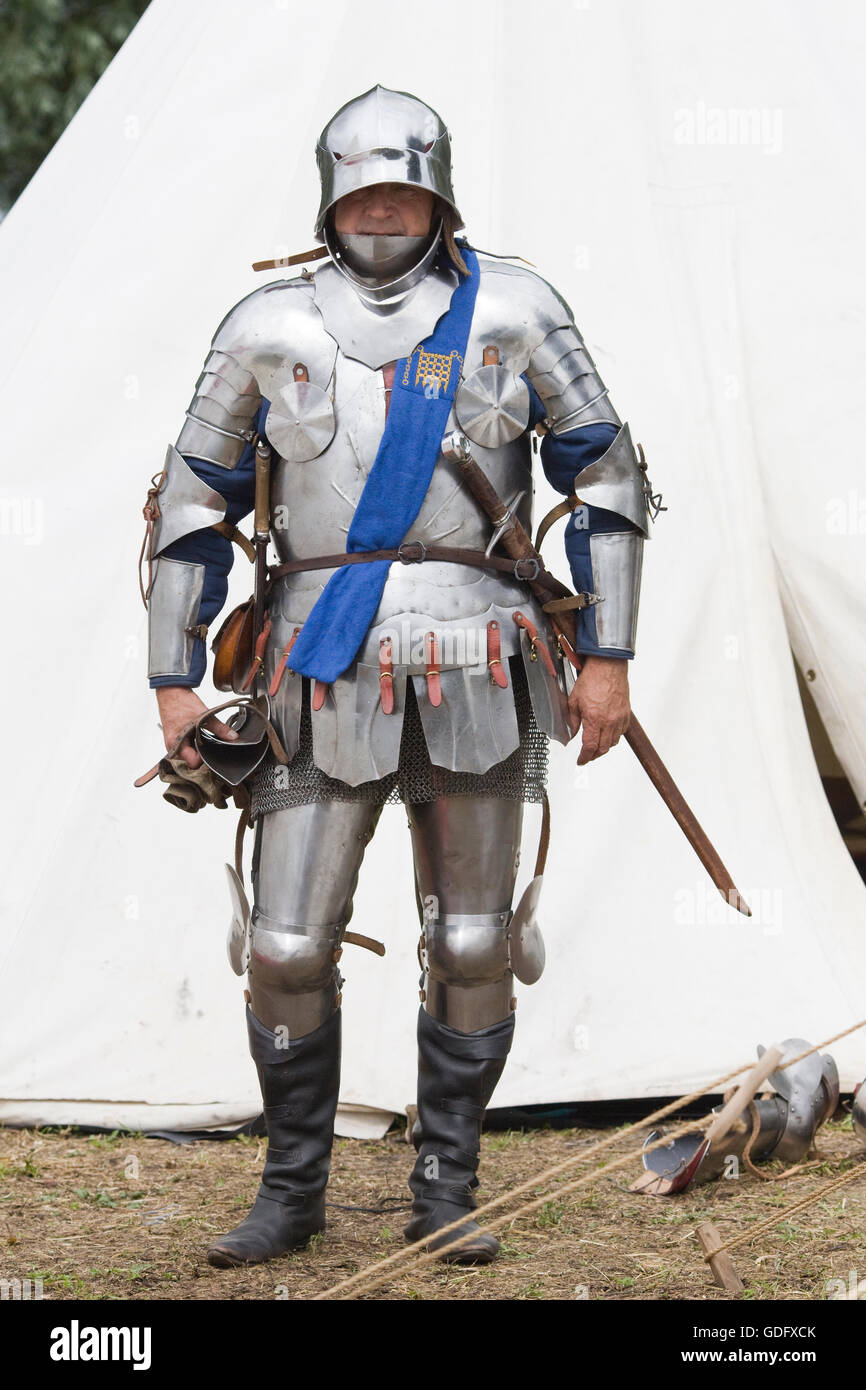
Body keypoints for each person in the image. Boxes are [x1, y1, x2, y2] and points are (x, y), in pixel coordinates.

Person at [144, 85, 649, 1268]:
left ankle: (445, 1185)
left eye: (403, 189)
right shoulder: (268, 324)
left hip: (481, 657)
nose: (382, 210)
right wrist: (176, 677)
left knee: (471, 940)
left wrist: (608, 660)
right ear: (329, 194)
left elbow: (609, 482)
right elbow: (188, 504)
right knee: (283, 945)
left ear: (438, 192)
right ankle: (289, 1188)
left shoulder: (514, 311)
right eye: (362, 190)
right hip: (314, 669)